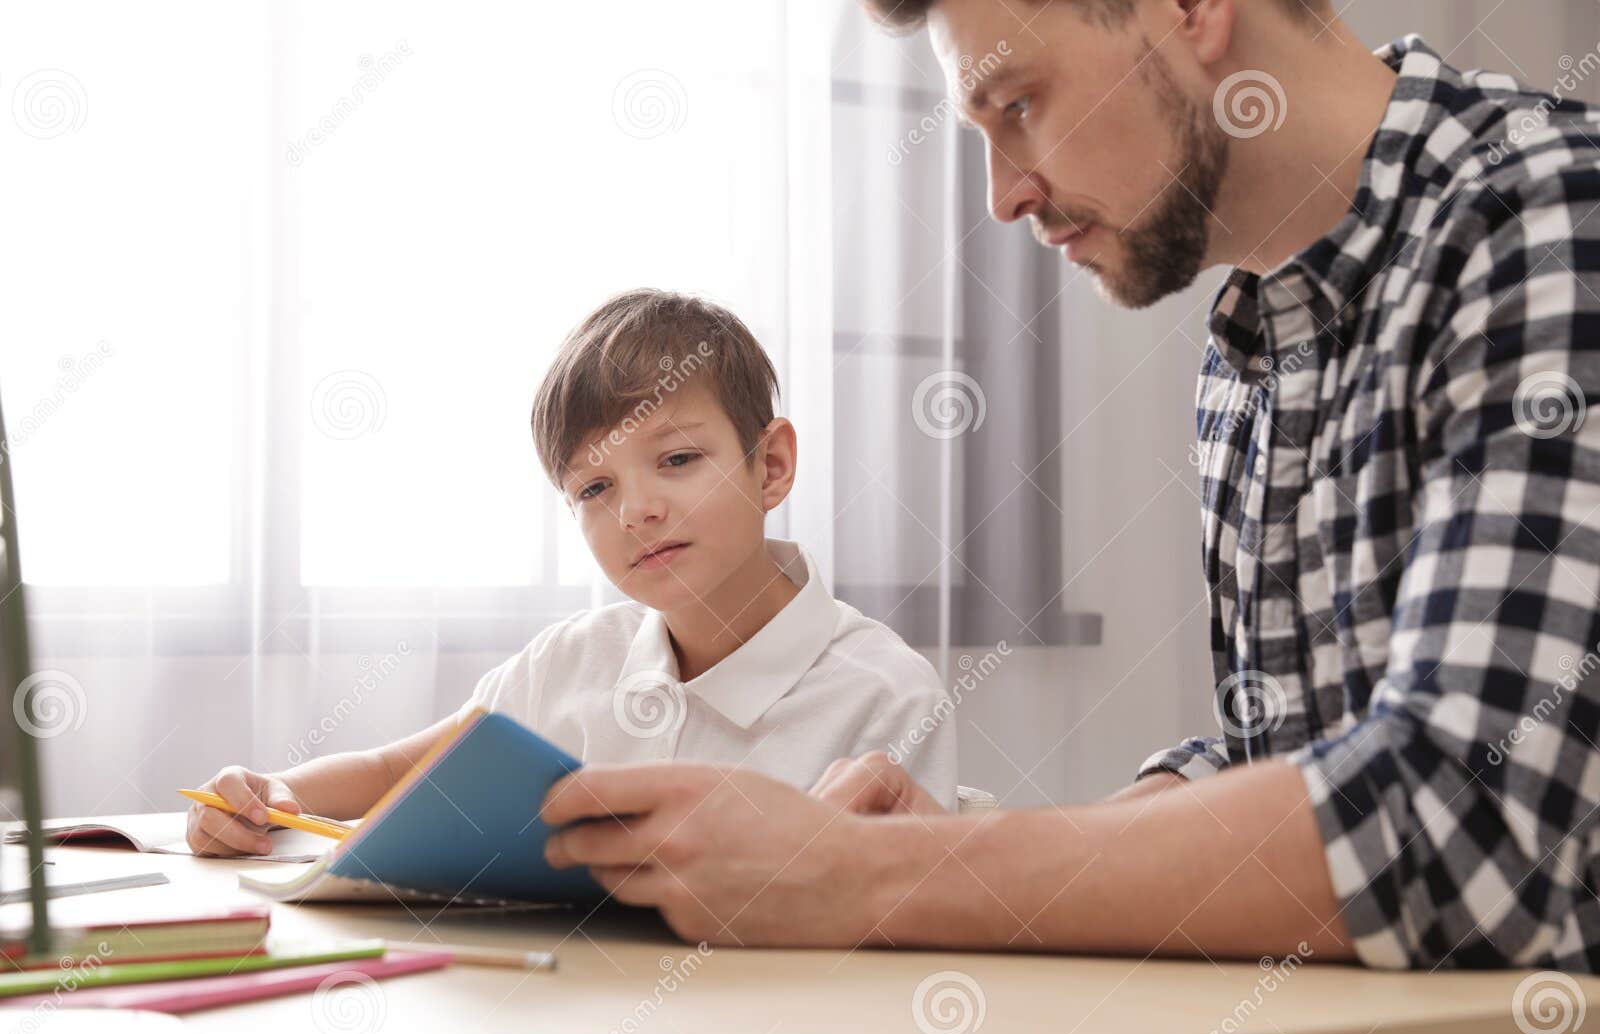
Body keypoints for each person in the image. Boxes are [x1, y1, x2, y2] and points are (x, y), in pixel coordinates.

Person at [541, 0, 1600, 972]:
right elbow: (1290, 754)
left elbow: (1459, 828)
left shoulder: (1546, 215)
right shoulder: (1248, 342)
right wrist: (948, 847)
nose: (1005, 196)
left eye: (1018, 106)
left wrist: (868, 877)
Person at [186, 289, 958, 857]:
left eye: (678, 459)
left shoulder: (885, 695)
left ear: (773, 465)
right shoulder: (572, 658)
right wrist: (274, 795)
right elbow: (405, 766)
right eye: (594, 488)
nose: (636, 511)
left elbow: (907, 915)